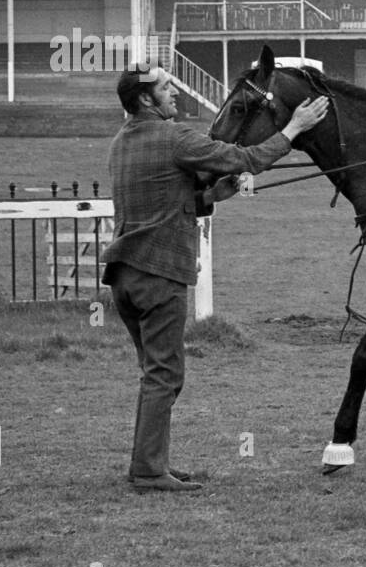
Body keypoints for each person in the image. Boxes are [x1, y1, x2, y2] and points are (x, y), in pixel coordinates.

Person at [102, 63, 328, 492]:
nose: (176, 94)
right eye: (167, 89)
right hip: (159, 275)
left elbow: (165, 197)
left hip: (125, 277)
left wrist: (210, 195)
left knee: (154, 373)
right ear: (146, 99)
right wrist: (295, 128)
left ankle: (149, 463)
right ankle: (149, 471)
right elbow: (247, 158)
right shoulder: (175, 138)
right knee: (165, 375)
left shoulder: (121, 143)